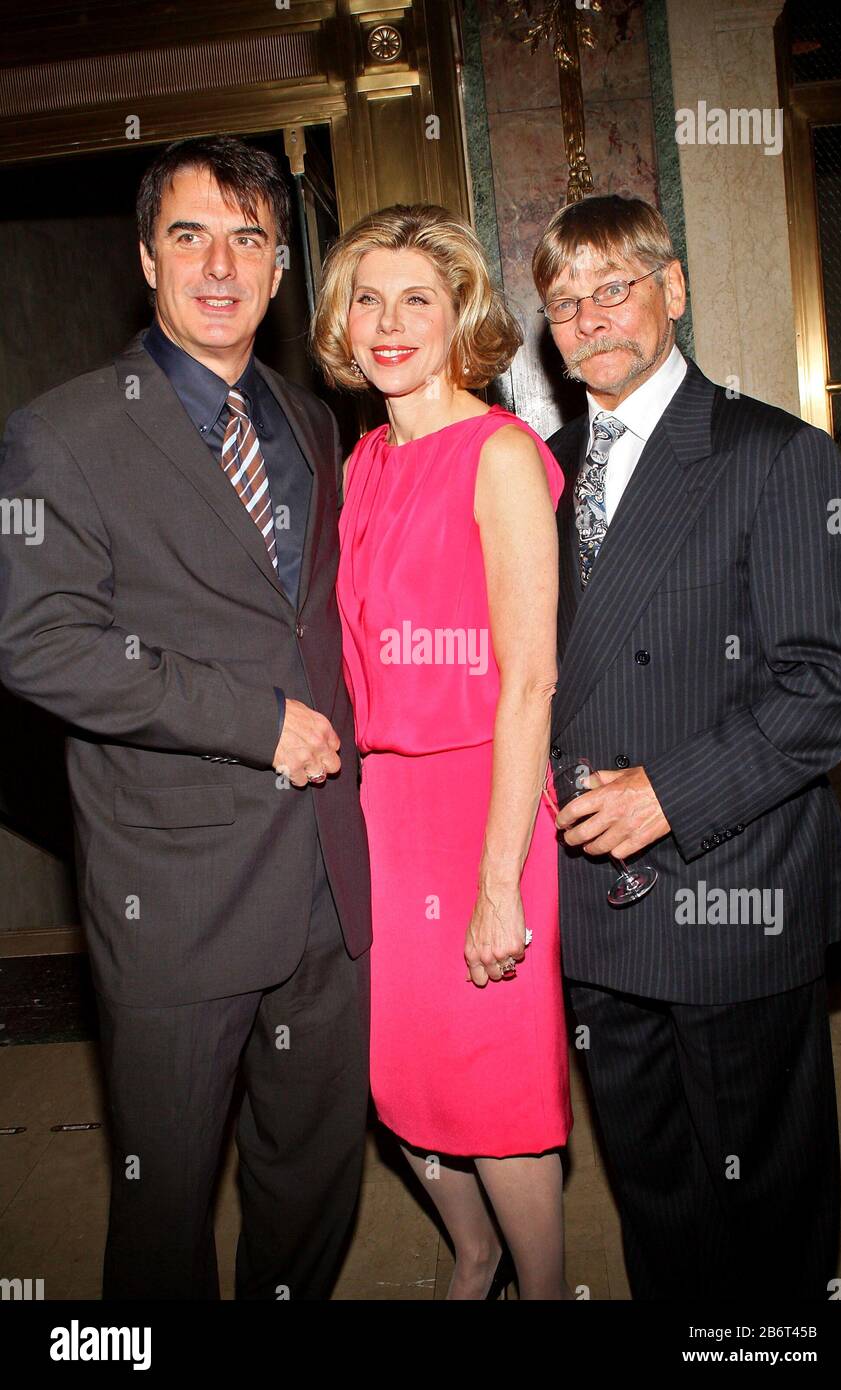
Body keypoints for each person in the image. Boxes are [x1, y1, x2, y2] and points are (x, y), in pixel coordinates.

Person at [0, 136, 371, 1300]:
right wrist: (252, 718)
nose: (222, 264)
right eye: (191, 234)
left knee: (311, 1178)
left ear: (278, 269)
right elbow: (35, 640)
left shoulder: (312, 421)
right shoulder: (58, 433)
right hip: (174, 896)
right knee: (163, 1205)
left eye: (250, 238)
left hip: (325, 876)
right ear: (147, 258)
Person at [534, 192, 841, 1300]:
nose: (591, 317)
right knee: (654, 1188)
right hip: (591, 900)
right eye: (566, 300)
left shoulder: (775, 454)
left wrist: (669, 794)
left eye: (614, 286)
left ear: (673, 289)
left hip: (731, 886)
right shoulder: (541, 463)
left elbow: (828, 684)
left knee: (763, 1205)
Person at [311, 203, 573, 1300]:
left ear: (460, 310)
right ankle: (473, 1255)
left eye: (416, 296)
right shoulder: (363, 459)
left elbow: (530, 679)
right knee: (402, 1080)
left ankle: (547, 1286)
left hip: (484, 801)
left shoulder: (502, 454)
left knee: (495, 1085)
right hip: (385, 811)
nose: (388, 320)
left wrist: (498, 880)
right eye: (367, 297)